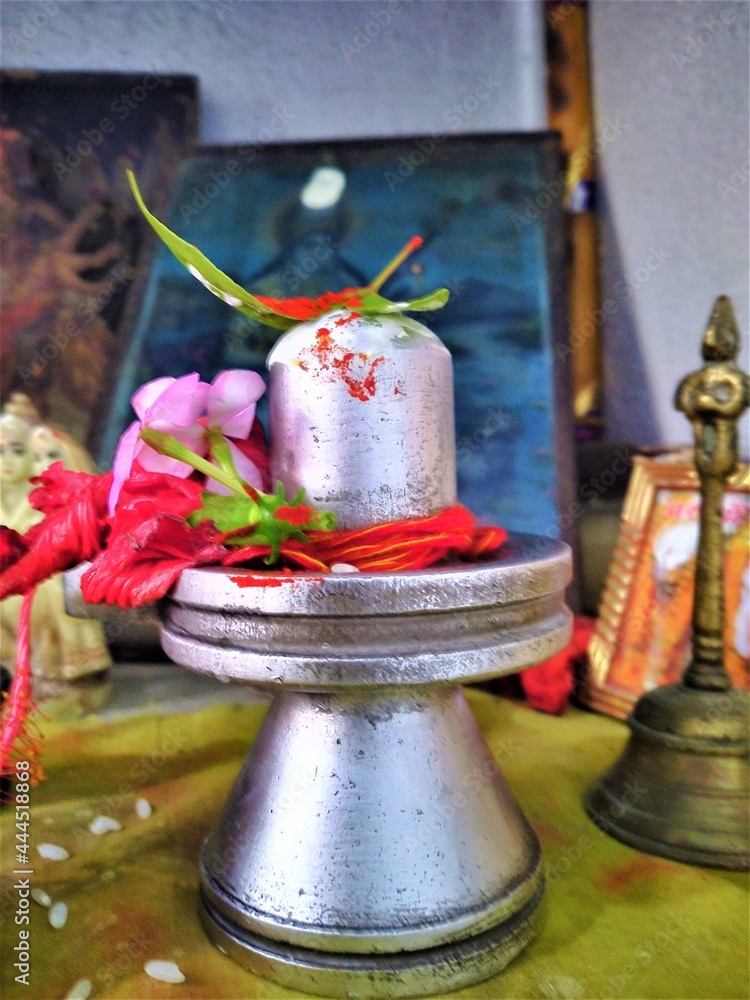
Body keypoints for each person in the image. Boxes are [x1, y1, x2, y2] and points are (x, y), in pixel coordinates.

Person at [0, 396, 111, 716]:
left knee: (47, 587)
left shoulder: (62, 499)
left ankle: (59, 672)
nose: (9, 461)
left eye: (18, 451)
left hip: (52, 587)